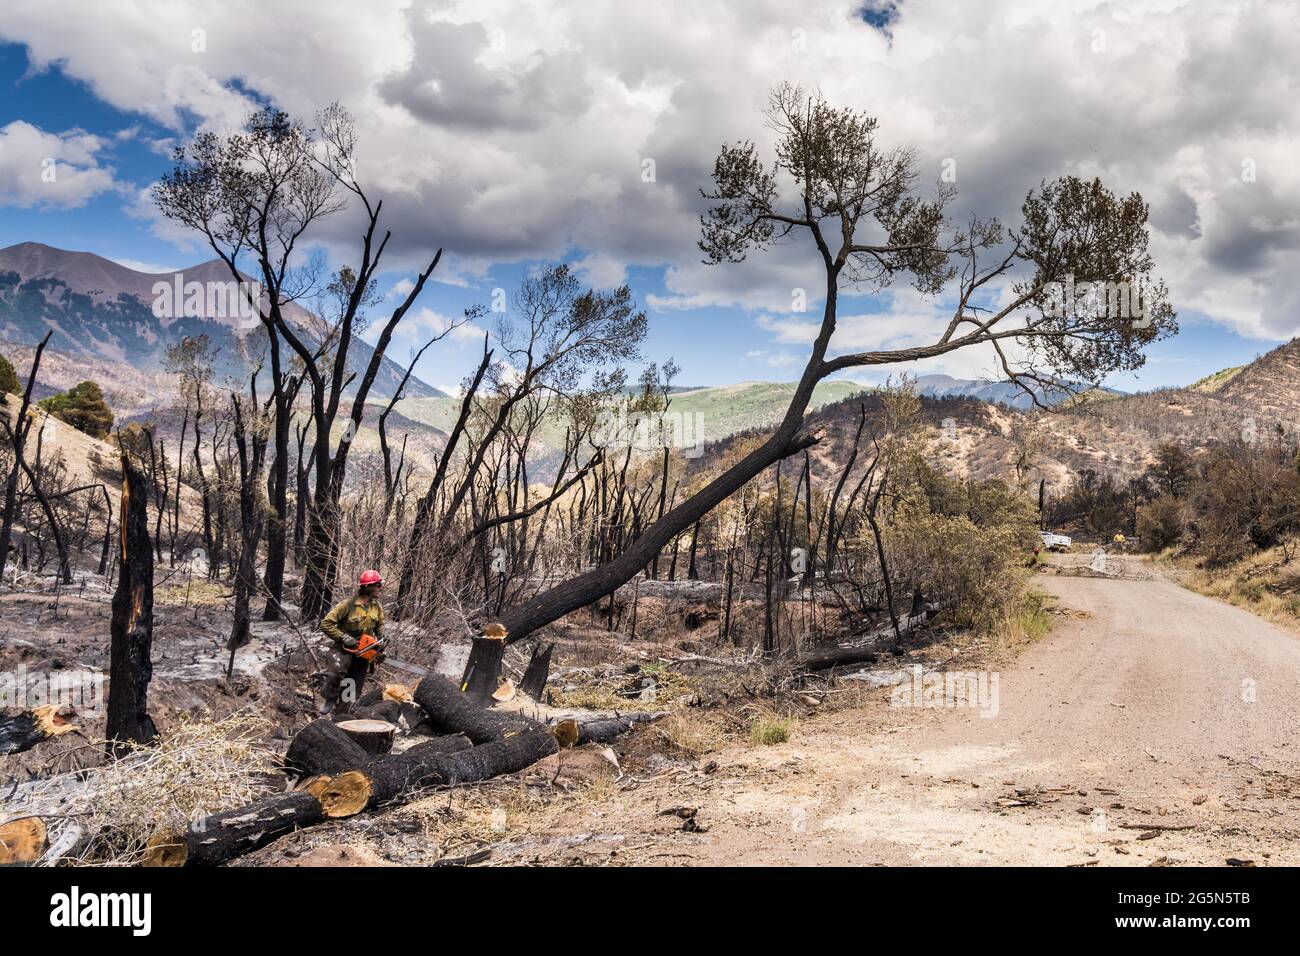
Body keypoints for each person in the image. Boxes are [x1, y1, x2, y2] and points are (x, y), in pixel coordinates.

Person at [317, 569, 386, 715]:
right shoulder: (347, 605)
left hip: (363, 652)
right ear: (367, 587)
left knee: (352, 688)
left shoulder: (376, 607)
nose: (381, 588)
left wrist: (381, 638)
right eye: (378, 585)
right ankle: (330, 697)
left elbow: (379, 625)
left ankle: (341, 715)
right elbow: (326, 624)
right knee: (335, 673)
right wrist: (343, 637)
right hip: (343, 649)